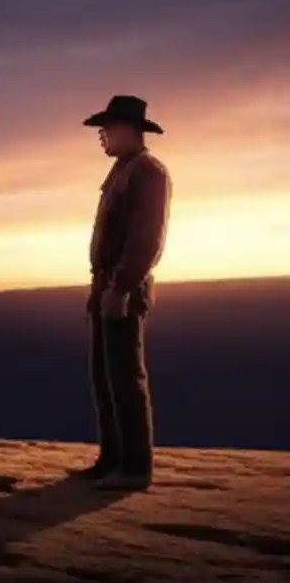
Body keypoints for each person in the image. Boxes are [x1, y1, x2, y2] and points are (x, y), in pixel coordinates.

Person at [73, 95, 172, 491]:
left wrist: (121, 287)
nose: (101, 135)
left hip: (122, 287)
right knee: (104, 375)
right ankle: (111, 459)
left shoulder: (148, 172)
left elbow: (146, 239)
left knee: (125, 376)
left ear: (128, 129)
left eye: (107, 127)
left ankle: (134, 468)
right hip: (106, 285)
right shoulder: (123, 170)